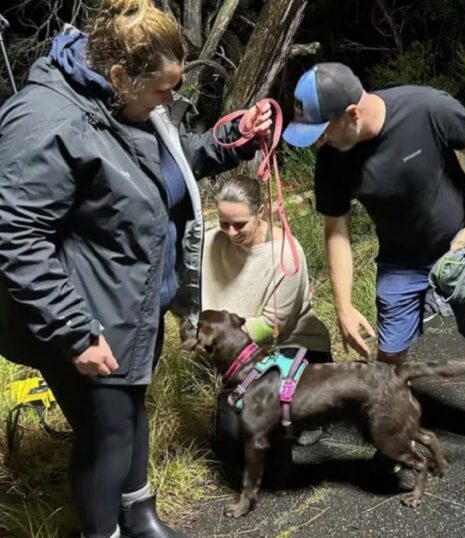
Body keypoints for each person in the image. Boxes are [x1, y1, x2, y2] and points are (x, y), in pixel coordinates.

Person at [0, 1, 270, 536]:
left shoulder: (121, 100)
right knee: (106, 433)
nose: (171, 100)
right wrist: (76, 333)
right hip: (84, 310)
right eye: (164, 90)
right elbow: (16, 235)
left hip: (131, 299)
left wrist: (227, 139)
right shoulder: (46, 121)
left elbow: (167, 162)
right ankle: (104, 531)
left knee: (130, 408)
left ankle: (139, 512)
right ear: (121, 74)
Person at [280, 63, 465, 479]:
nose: (320, 144)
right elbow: (337, 231)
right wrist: (344, 306)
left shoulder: (426, 108)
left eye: (322, 131)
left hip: (459, 248)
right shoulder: (333, 159)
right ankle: (396, 433)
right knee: (389, 355)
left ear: (352, 114)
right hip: (400, 261)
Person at [202, 175, 334, 449]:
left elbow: (273, 326)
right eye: (223, 223)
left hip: (284, 343)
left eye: (239, 224)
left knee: (255, 428)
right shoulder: (211, 242)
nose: (230, 232)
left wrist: (217, 336)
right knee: (232, 436)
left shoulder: (286, 254)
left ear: (261, 213)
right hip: (232, 345)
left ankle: (312, 410)